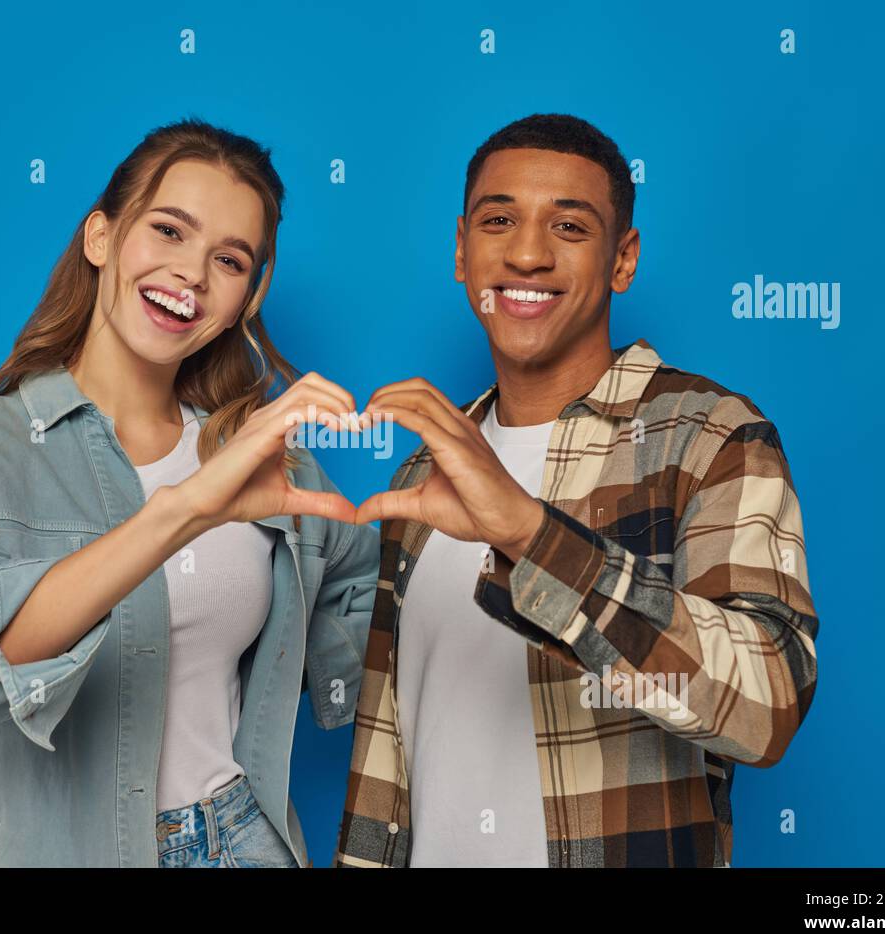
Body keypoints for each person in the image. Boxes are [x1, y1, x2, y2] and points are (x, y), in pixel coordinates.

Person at [0, 118, 378, 867]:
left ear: (247, 294)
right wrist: (184, 509)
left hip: (242, 842)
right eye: (170, 230)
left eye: (230, 259)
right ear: (101, 237)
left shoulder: (260, 455)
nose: (192, 274)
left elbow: (368, 599)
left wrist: (480, 539)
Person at [335, 113, 820, 867]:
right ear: (462, 250)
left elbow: (768, 705)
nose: (527, 254)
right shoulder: (420, 480)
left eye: (568, 226)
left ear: (623, 260)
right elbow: (383, 767)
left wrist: (534, 535)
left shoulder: (708, 437)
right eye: (500, 221)